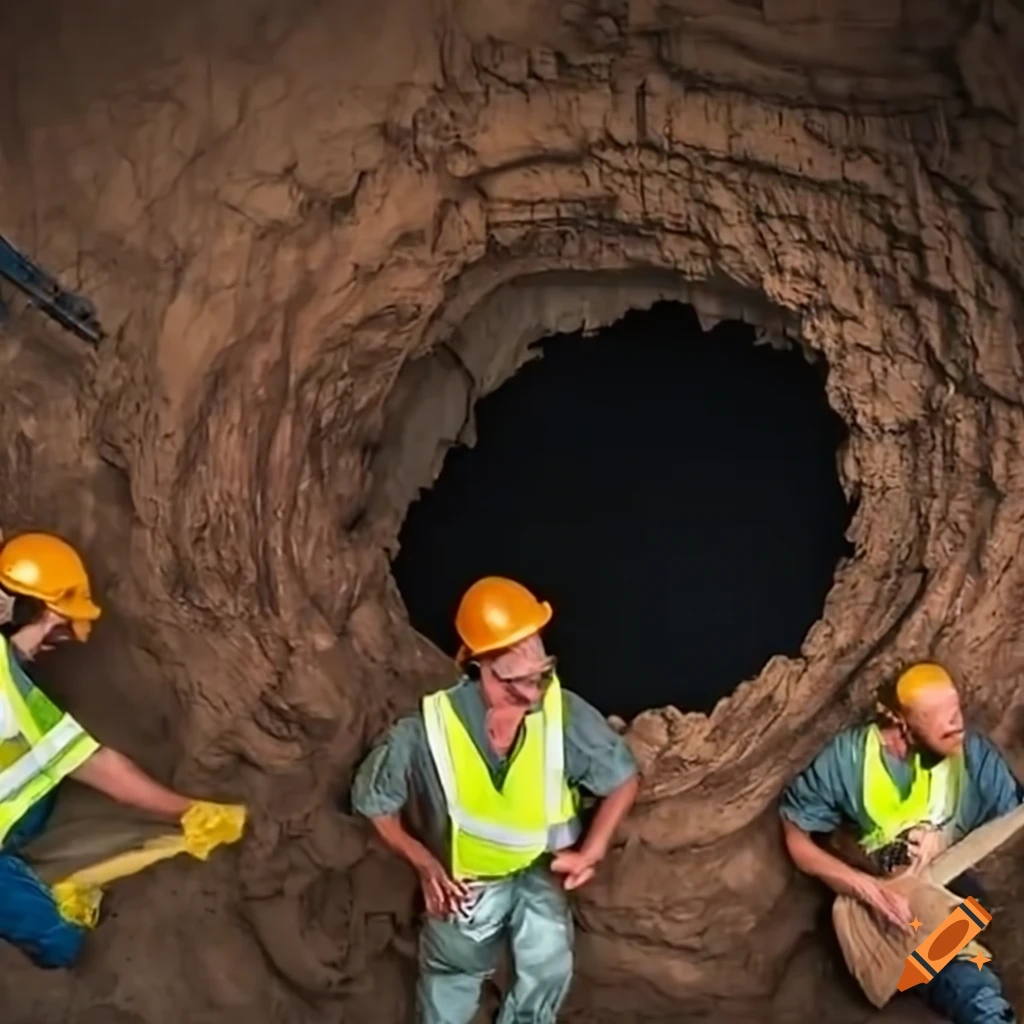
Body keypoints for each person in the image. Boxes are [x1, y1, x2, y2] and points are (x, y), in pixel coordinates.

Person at [352, 576, 640, 1024]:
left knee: (547, 967)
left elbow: (622, 779)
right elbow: (375, 801)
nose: (531, 692)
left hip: (542, 871)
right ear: (480, 667)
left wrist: (592, 851)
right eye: (514, 680)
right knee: (452, 979)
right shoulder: (427, 730)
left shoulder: (561, 714)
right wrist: (424, 863)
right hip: (466, 885)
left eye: (541, 674)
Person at [0, 530, 242, 969]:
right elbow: (98, 766)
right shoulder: (5, 685)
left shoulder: (8, 672)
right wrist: (190, 810)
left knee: (43, 785)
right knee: (62, 940)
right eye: (57, 624)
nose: (58, 640)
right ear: (31, 611)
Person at [779, 661, 1022, 1024]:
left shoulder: (972, 754)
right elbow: (795, 834)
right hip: (893, 903)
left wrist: (942, 838)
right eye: (942, 719)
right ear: (902, 724)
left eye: (956, 712)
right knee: (958, 966)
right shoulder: (850, 761)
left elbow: (1012, 820)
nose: (957, 725)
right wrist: (865, 887)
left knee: (962, 917)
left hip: (962, 885)